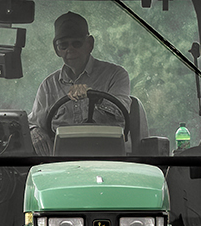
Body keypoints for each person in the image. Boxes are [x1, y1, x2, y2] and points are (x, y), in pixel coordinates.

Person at [29, 11, 130, 153]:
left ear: (89, 44)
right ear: (56, 49)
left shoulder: (116, 75)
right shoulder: (48, 86)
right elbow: (33, 123)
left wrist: (96, 97)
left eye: (76, 43)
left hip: (108, 158)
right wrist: (34, 131)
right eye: (63, 45)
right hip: (62, 163)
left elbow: (123, 112)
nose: (70, 50)